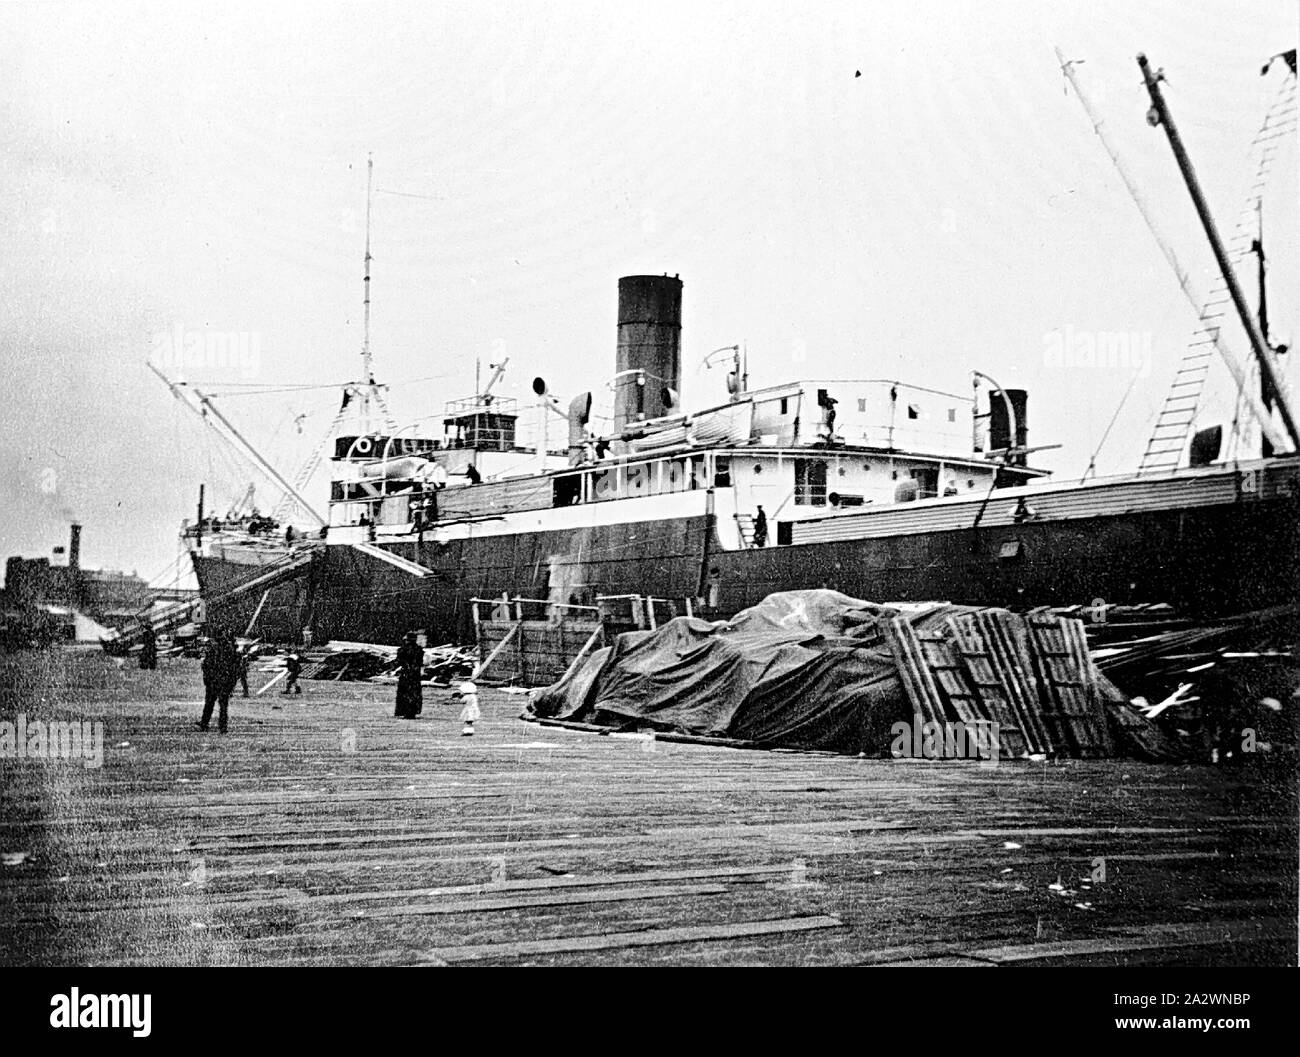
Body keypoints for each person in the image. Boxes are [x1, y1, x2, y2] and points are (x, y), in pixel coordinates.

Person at [197, 630, 237, 733]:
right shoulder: (230, 649)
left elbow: (206, 665)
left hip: (213, 680)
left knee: (209, 704)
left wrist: (207, 678)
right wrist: (232, 682)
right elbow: (234, 667)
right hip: (224, 680)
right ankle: (222, 726)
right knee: (223, 706)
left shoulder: (213, 649)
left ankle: (204, 723)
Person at [394, 631, 424, 719]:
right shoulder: (418, 650)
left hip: (406, 674)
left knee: (404, 692)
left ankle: (404, 710)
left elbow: (399, 661)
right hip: (415, 674)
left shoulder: (403, 649)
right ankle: (412, 711)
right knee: (414, 693)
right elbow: (420, 662)